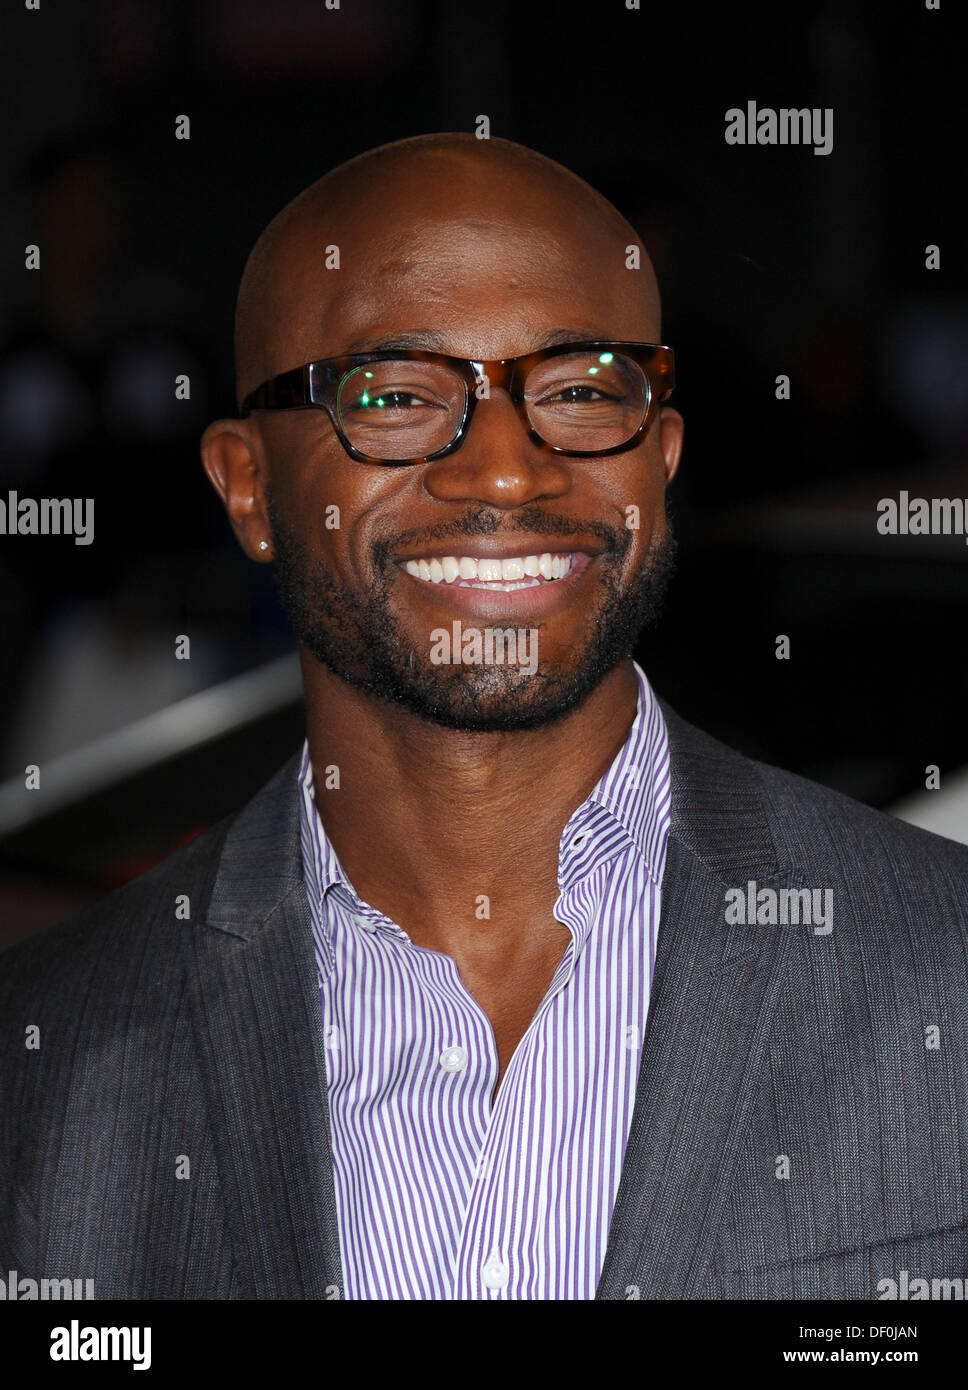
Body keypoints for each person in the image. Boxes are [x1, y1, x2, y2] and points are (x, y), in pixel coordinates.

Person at [2, 133, 966, 1302]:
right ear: (248, 487)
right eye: (397, 396)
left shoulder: (939, 967)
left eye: (576, 391)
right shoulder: (47, 1059)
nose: (506, 472)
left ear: (659, 459)